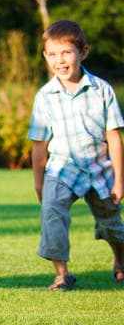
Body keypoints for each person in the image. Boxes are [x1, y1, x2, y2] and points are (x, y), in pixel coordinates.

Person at [28, 20, 124, 290]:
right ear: (46, 57)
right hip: (61, 170)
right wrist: (39, 182)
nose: (60, 60)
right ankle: (62, 274)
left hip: (99, 169)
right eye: (53, 54)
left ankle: (121, 260)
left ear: (83, 51)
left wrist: (119, 179)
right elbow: (38, 144)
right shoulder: (44, 97)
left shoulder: (102, 90)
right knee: (52, 213)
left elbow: (114, 137)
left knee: (112, 225)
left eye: (67, 52)